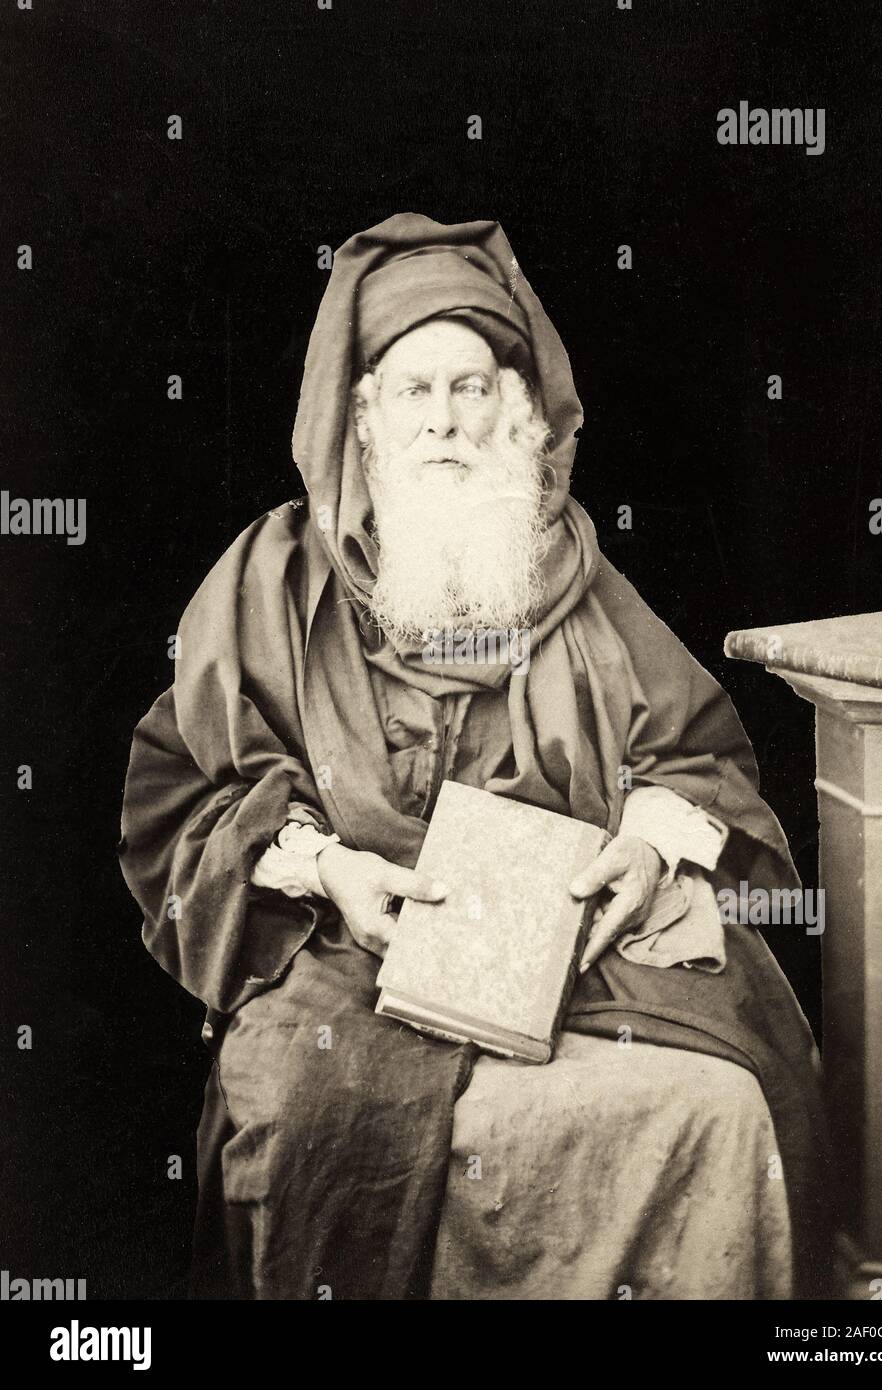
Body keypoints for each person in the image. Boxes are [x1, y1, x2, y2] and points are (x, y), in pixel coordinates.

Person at [119, 213, 831, 1301]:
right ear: (361, 419)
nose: (445, 422)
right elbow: (188, 792)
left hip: (582, 957)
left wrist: (642, 855)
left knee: (724, 1102)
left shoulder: (581, 588)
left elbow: (695, 763)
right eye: (414, 391)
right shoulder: (269, 582)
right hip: (346, 956)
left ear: (517, 413)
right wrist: (327, 868)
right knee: (301, 1115)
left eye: (471, 389)